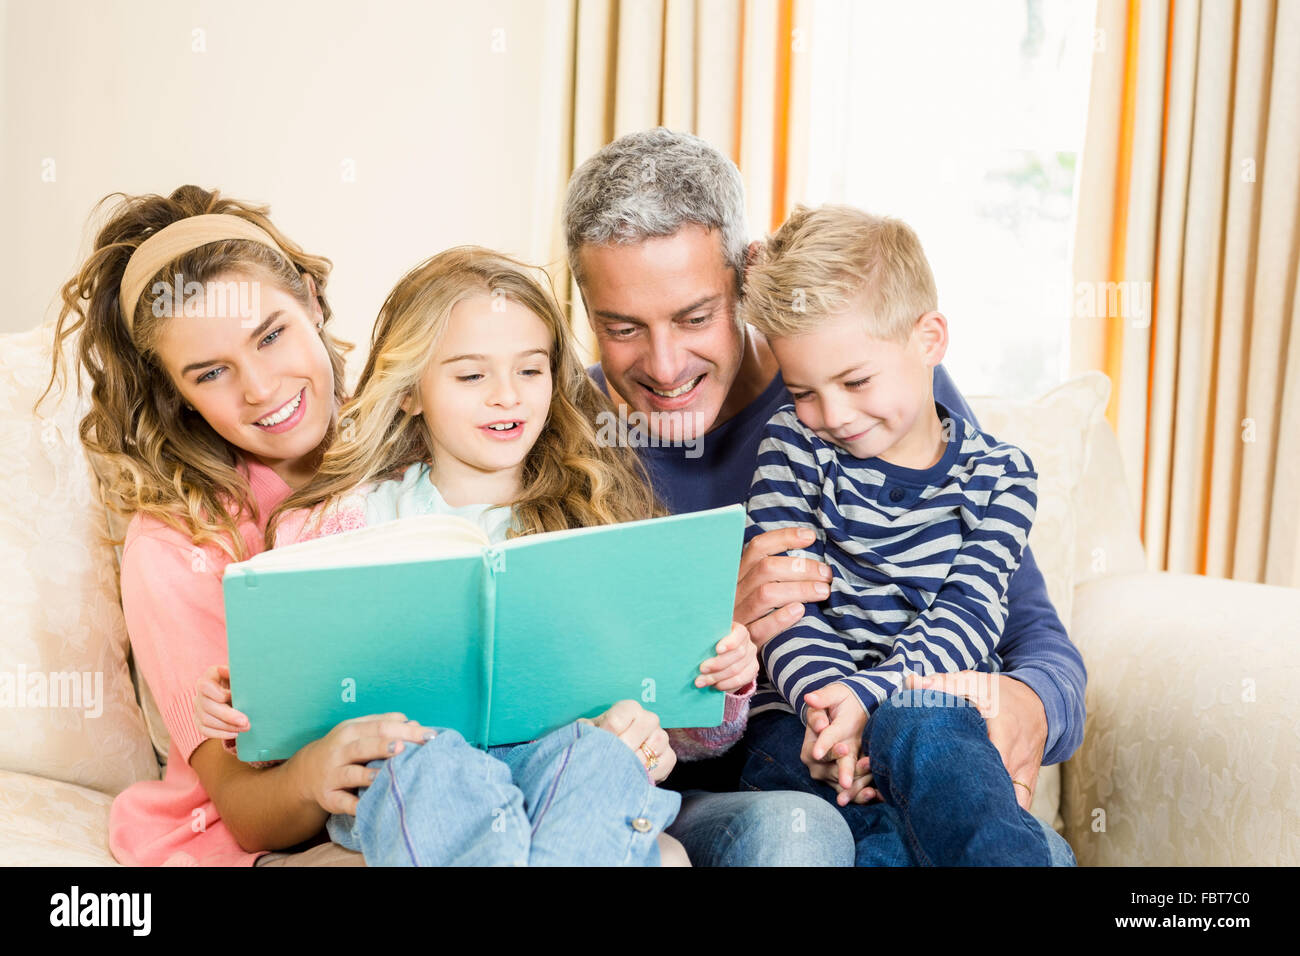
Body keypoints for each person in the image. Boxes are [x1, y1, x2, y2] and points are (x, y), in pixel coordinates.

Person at [562, 127, 1085, 865]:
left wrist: (1034, 702)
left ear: (747, 279)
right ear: (584, 310)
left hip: (902, 734)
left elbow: (1021, 618)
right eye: (622, 328)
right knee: (800, 834)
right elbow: (550, 690)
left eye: (694, 317)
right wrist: (715, 626)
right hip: (709, 786)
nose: (666, 363)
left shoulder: (884, 395)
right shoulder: (562, 436)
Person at [193, 246, 759, 865]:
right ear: (411, 392)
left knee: (604, 757)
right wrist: (248, 698)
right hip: (414, 770)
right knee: (421, 759)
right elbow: (288, 725)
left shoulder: (598, 518)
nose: (506, 397)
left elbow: (687, 728)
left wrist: (719, 675)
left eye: (530, 370)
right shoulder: (340, 523)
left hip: (559, 775)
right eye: (471, 376)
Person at [44, 185, 427, 866]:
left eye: (271, 335)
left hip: (426, 782)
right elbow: (248, 815)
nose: (259, 388)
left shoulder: (418, 440)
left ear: (311, 299)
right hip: (270, 830)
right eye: (212, 373)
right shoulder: (173, 545)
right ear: (177, 395)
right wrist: (313, 772)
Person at [736, 202, 1064, 865]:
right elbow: (784, 611)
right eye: (803, 391)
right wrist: (834, 711)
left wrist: (872, 698)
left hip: (930, 710)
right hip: (805, 723)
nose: (832, 414)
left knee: (925, 726)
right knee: (855, 820)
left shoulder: (1002, 478)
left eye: (856, 381)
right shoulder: (794, 447)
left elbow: (969, 616)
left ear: (929, 340)